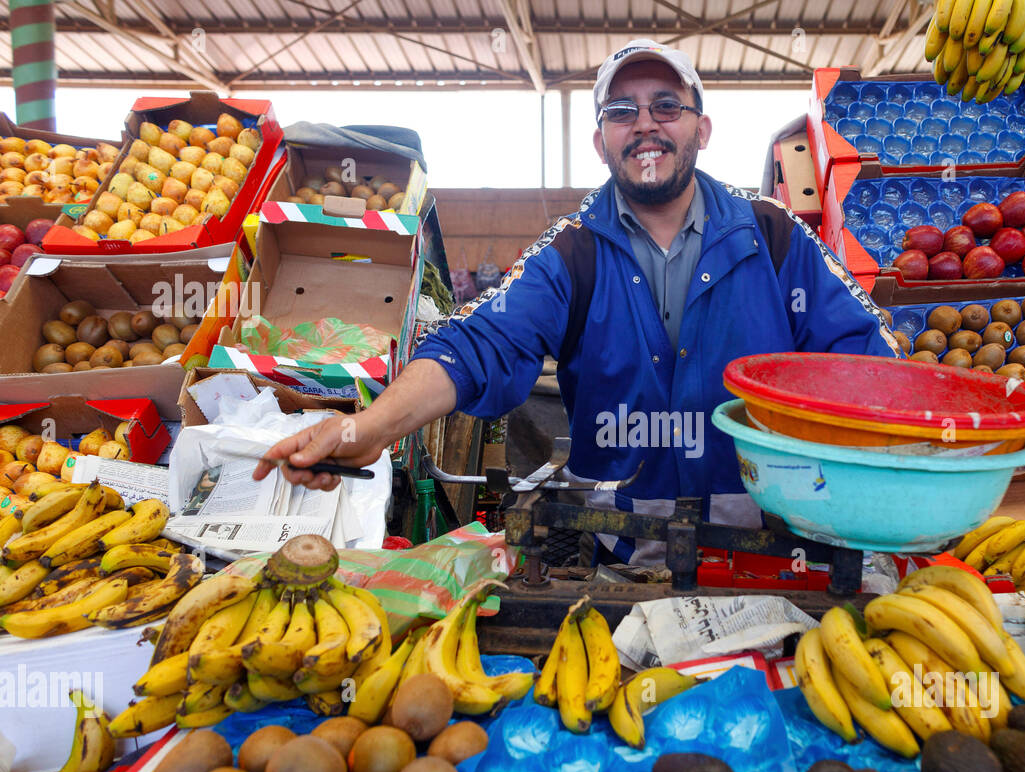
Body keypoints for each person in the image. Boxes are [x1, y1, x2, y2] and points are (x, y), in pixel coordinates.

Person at [255, 39, 899, 562]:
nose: (645, 124)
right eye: (622, 111)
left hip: (776, 546)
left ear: (701, 128)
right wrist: (364, 428)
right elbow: (477, 344)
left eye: (666, 106)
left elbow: (867, 355)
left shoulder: (776, 235)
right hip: (626, 553)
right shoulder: (571, 254)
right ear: (601, 141)